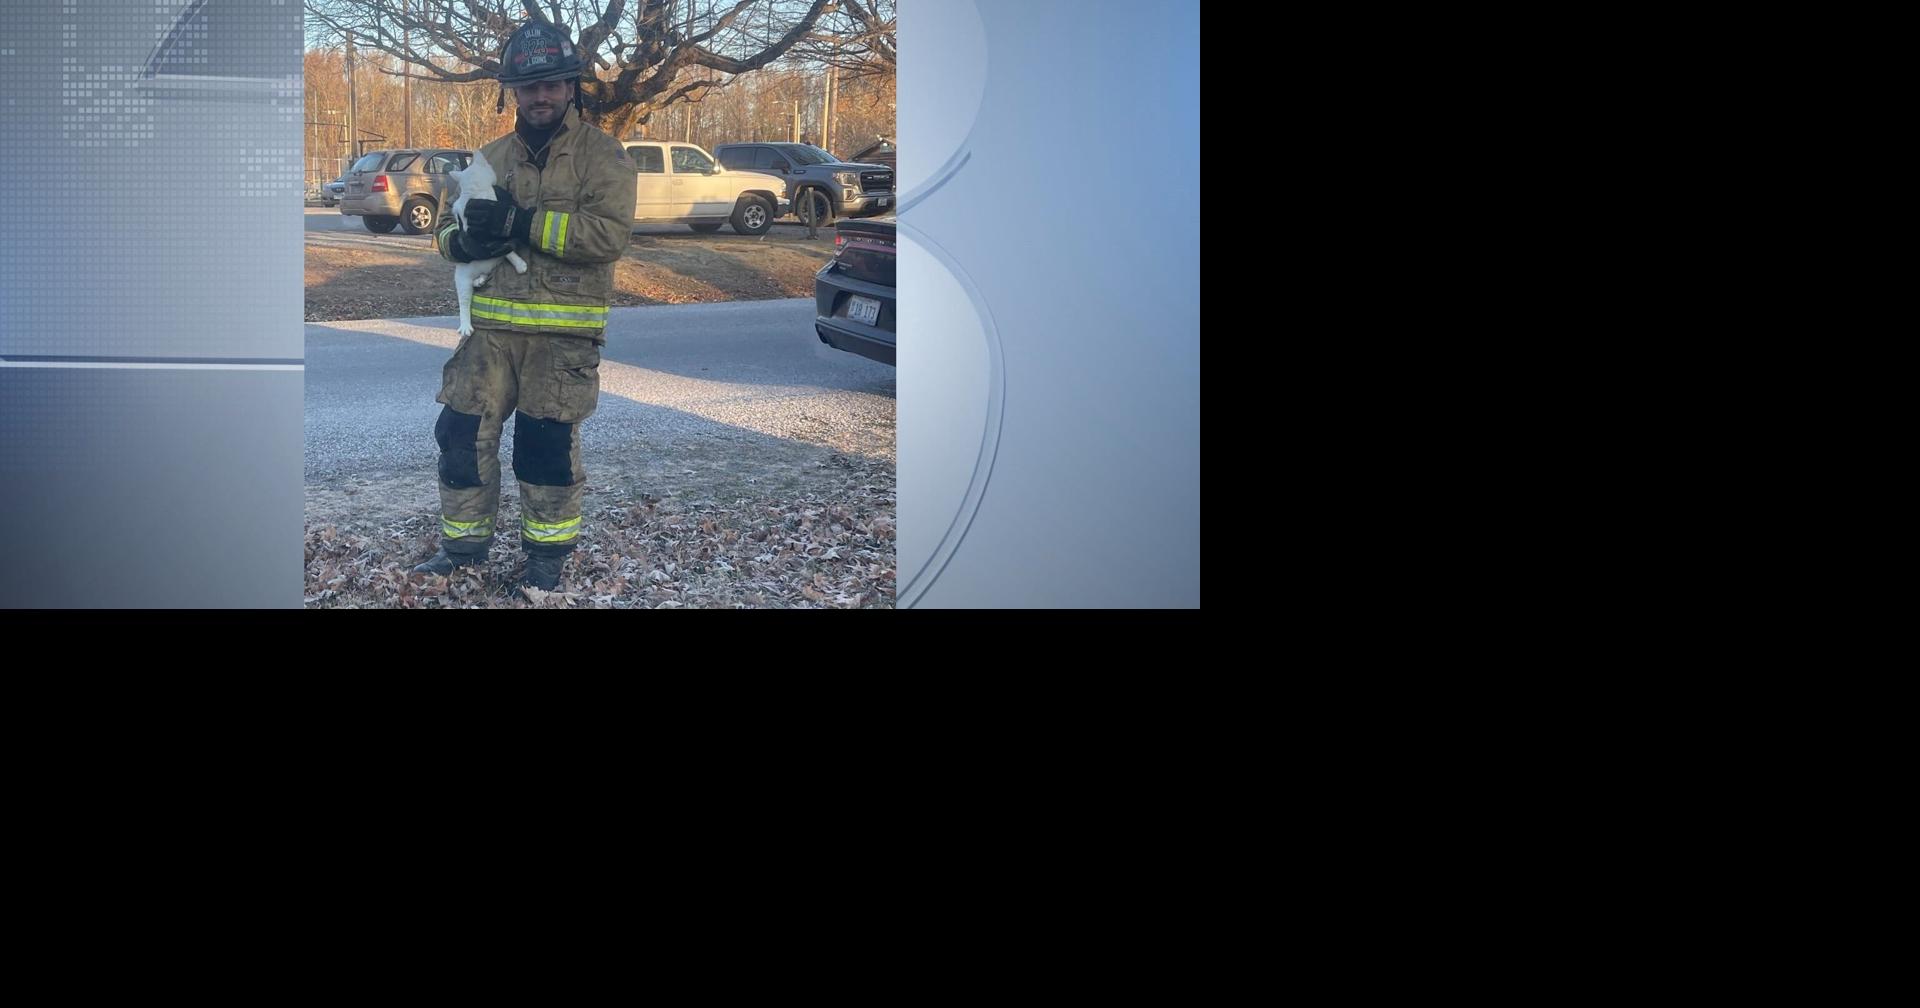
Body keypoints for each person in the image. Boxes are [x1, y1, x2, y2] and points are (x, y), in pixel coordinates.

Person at [411, 17, 638, 590]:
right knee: (460, 437)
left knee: (544, 451)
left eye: (552, 84)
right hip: (486, 339)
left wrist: (522, 222)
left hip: (561, 342)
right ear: (511, 91)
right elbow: (445, 228)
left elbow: (607, 236)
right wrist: (460, 244)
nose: (541, 96)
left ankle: (545, 561)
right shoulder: (489, 158)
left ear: (570, 87)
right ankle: (462, 550)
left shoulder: (603, 156)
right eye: (529, 86)